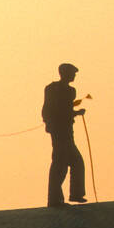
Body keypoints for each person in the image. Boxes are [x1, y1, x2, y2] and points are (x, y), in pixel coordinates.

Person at [42, 63, 86, 206]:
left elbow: (54, 109)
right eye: (72, 73)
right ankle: (60, 198)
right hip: (61, 132)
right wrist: (77, 113)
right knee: (65, 164)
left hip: (63, 131)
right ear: (65, 73)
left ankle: (65, 197)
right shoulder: (65, 91)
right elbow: (60, 110)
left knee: (65, 163)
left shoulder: (54, 89)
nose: (74, 76)